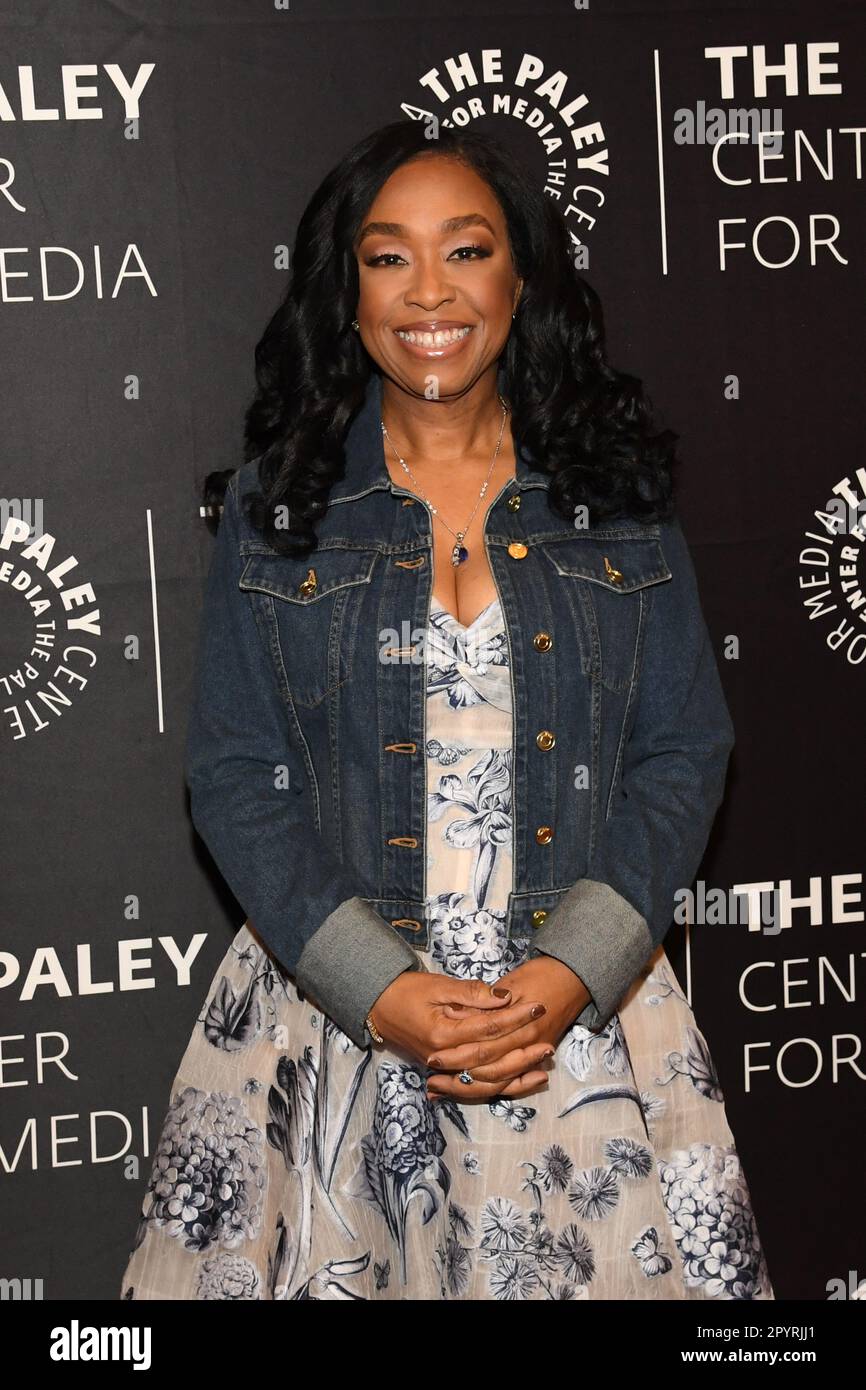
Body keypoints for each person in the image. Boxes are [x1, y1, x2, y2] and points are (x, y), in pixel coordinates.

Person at [120, 119, 774, 1301]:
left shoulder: (608, 498)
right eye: (387, 257)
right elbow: (231, 773)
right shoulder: (284, 508)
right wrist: (382, 990)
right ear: (347, 289)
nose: (429, 291)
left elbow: (683, 750)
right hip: (333, 1015)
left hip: (571, 1020)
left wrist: (571, 972)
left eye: (464, 251)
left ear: (519, 279)